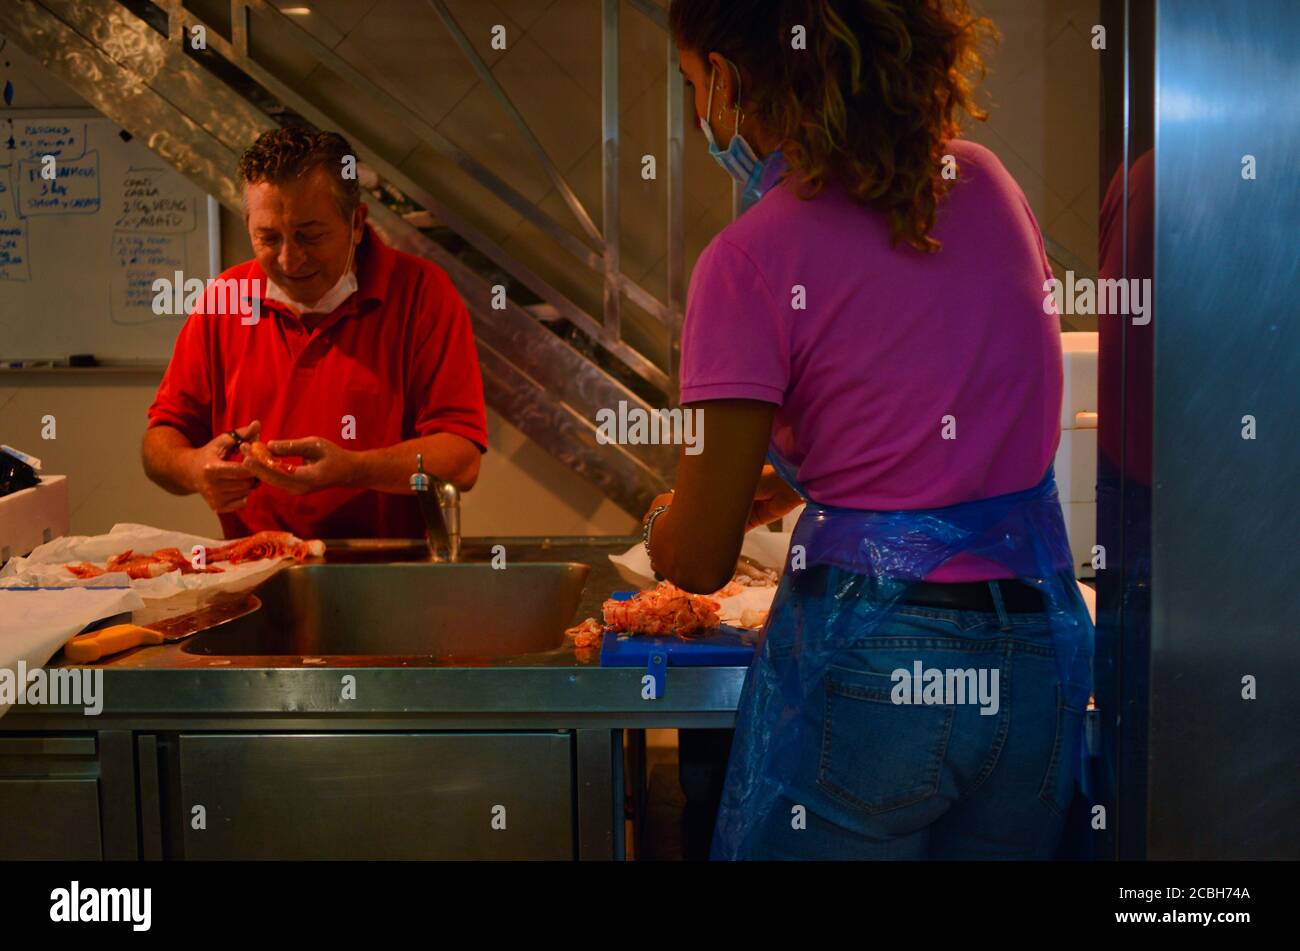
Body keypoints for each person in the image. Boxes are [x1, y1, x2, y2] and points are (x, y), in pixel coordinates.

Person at [645, 0, 1093, 859]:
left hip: (877, 668)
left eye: (694, 83)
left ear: (731, 83)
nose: (700, 112)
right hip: (1030, 650)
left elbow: (696, 559)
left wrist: (662, 522)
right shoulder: (989, 186)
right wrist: (775, 489)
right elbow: (923, 433)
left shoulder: (746, 260)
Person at [143, 128, 487, 539]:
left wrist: (353, 470)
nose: (290, 259)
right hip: (255, 567)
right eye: (268, 237)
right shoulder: (224, 299)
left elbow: (461, 460)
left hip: (389, 569)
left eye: (311, 234)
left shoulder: (421, 294)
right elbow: (160, 442)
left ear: (356, 224)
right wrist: (194, 468)